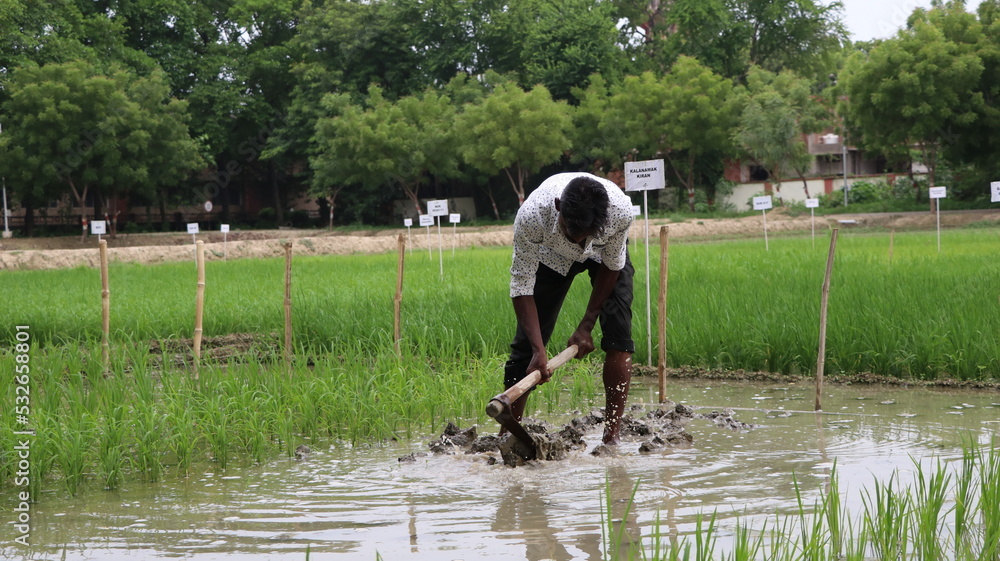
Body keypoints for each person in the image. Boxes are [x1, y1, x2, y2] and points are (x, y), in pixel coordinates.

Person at [504, 172, 635, 445]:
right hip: (551, 258)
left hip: (604, 257)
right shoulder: (532, 215)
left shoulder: (620, 212)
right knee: (525, 349)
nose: (578, 242)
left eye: (584, 233)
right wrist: (539, 350)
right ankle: (508, 435)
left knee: (619, 337)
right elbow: (521, 285)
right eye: (571, 232)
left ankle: (611, 438)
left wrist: (586, 325)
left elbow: (612, 267)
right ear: (558, 206)